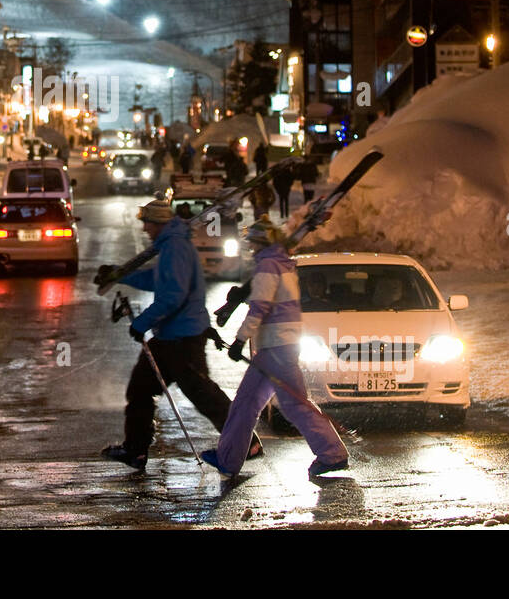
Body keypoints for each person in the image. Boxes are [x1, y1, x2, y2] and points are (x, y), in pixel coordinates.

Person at [96, 200, 259, 471]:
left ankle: (246, 443)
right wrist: (122, 276)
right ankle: (135, 450)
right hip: (170, 337)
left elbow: (173, 295)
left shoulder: (175, 248)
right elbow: (156, 280)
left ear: (158, 222)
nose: (145, 228)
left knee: (204, 395)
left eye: (147, 222)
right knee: (140, 390)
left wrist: (142, 323)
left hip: (183, 338)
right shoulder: (170, 245)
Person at [200, 219, 349, 478]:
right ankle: (228, 459)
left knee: (293, 404)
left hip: (276, 347)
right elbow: (273, 300)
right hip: (280, 345)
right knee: (246, 404)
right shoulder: (283, 264)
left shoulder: (268, 266)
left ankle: (332, 454)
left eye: (254, 242)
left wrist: (239, 340)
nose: (251, 247)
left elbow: (262, 307)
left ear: (261, 242)